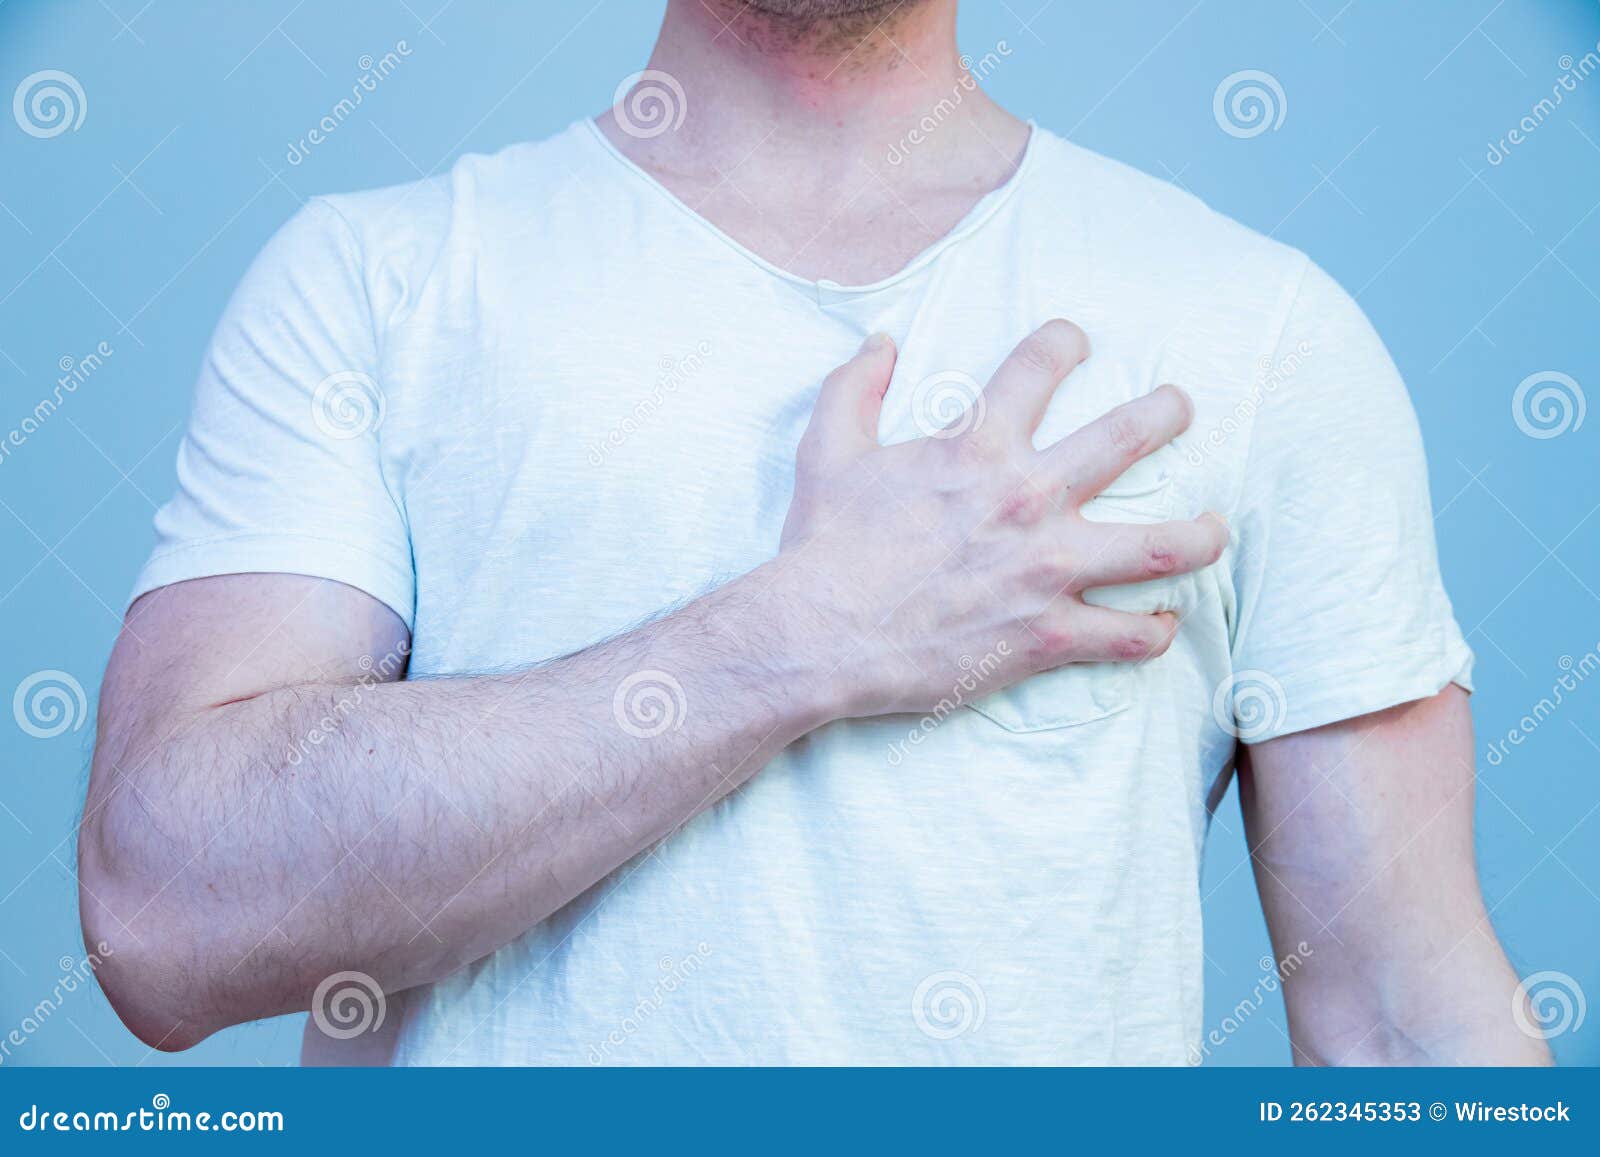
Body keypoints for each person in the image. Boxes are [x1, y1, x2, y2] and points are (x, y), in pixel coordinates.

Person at [79, 0, 1548, 1065]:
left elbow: (1401, 1023)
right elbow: (161, 918)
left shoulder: (1262, 331)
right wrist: (803, 637)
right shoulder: (377, 284)